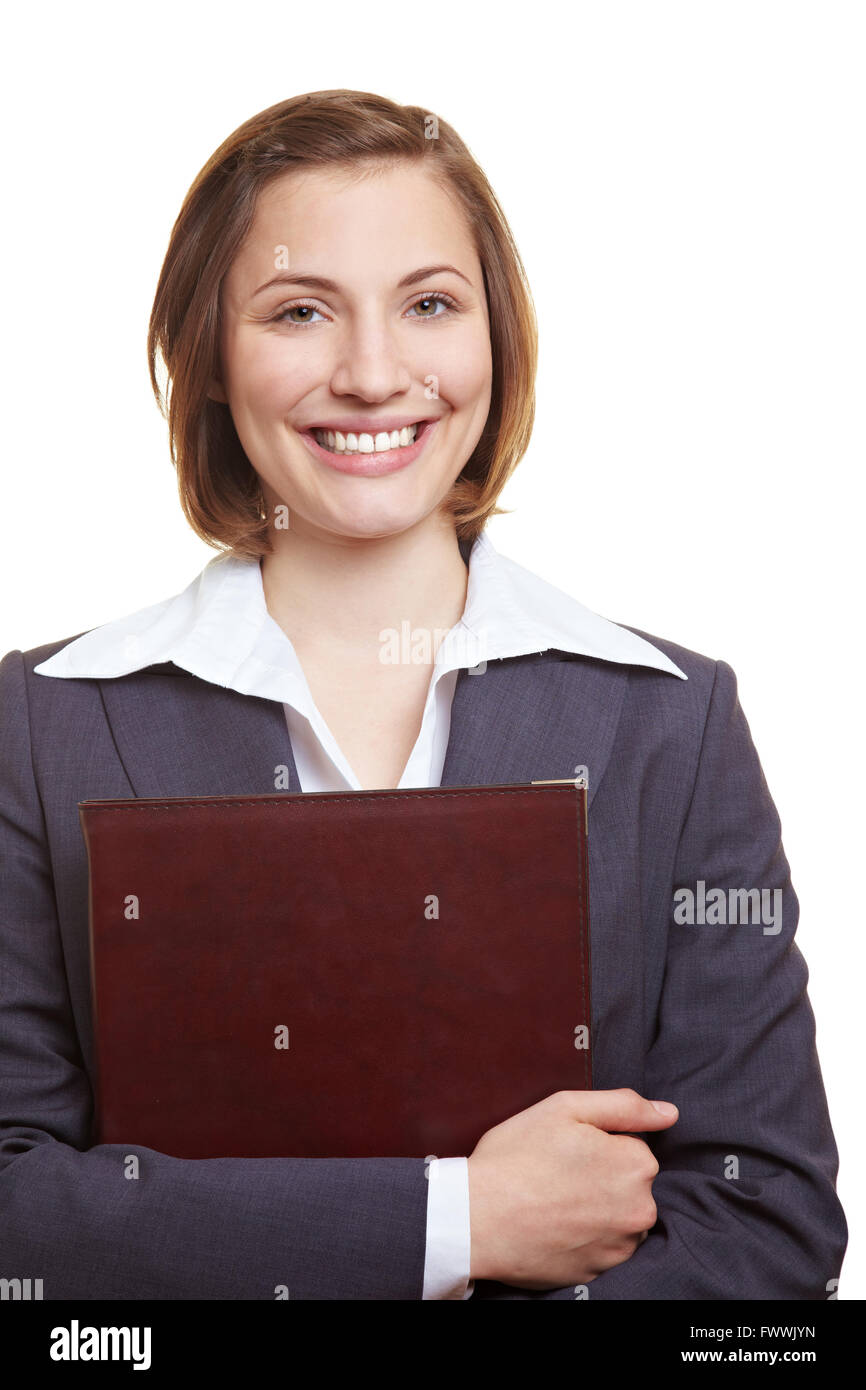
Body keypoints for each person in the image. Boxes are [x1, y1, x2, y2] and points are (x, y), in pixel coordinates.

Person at [0, 89, 846, 1301]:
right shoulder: (43, 721)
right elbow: (17, 1212)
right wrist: (457, 1222)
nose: (373, 373)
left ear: (494, 341)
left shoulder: (670, 720)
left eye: (429, 305)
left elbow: (765, 1227)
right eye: (300, 311)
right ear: (208, 357)